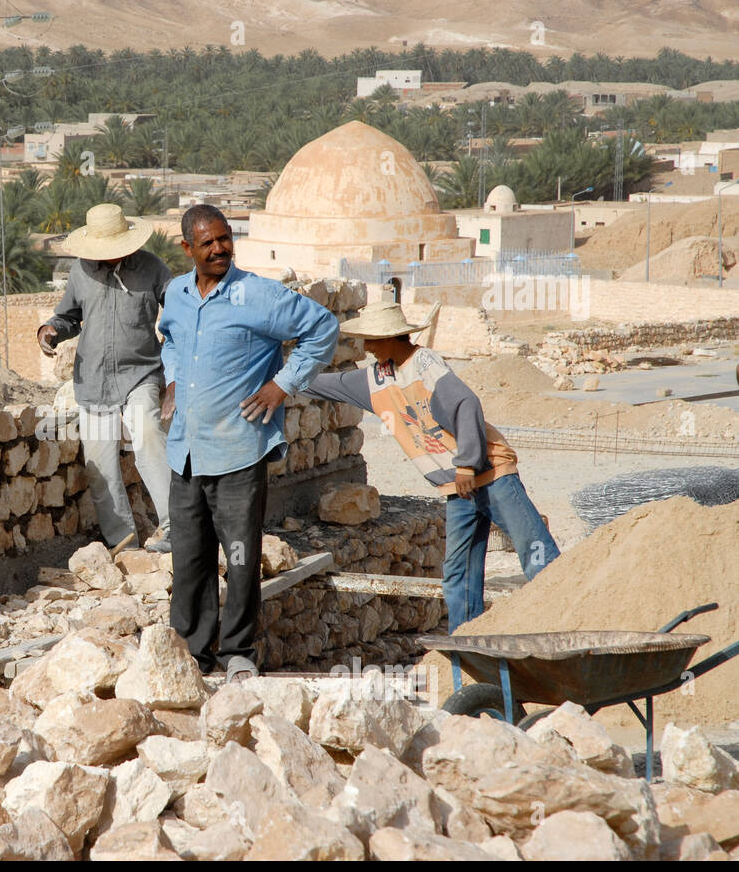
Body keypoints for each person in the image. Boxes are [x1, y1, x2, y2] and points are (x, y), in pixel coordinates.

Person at [302, 299, 560, 634]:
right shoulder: (377, 379)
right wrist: (279, 381)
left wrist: (467, 465)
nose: (365, 348)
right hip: (458, 489)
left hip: (491, 474)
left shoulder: (426, 365)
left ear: (392, 338)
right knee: (459, 572)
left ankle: (566, 620)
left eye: (371, 340)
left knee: (534, 551)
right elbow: (329, 385)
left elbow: (466, 404)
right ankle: (466, 641)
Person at [159, 204, 339, 684]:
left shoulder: (257, 295)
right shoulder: (175, 293)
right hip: (187, 450)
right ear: (187, 248)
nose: (219, 249)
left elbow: (322, 328)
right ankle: (193, 651)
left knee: (239, 556)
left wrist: (283, 385)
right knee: (190, 558)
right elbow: (170, 340)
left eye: (224, 239)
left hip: (239, 449)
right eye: (207, 243)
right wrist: (174, 379)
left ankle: (238, 651)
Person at [37, 203, 174, 551]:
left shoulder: (153, 269)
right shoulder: (81, 273)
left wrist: (174, 373)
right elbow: (68, 317)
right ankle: (124, 544)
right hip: (94, 380)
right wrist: (51, 329)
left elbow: (177, 318)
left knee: (149, 436)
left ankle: (175, 527)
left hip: (141, 373)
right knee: (100, 465)